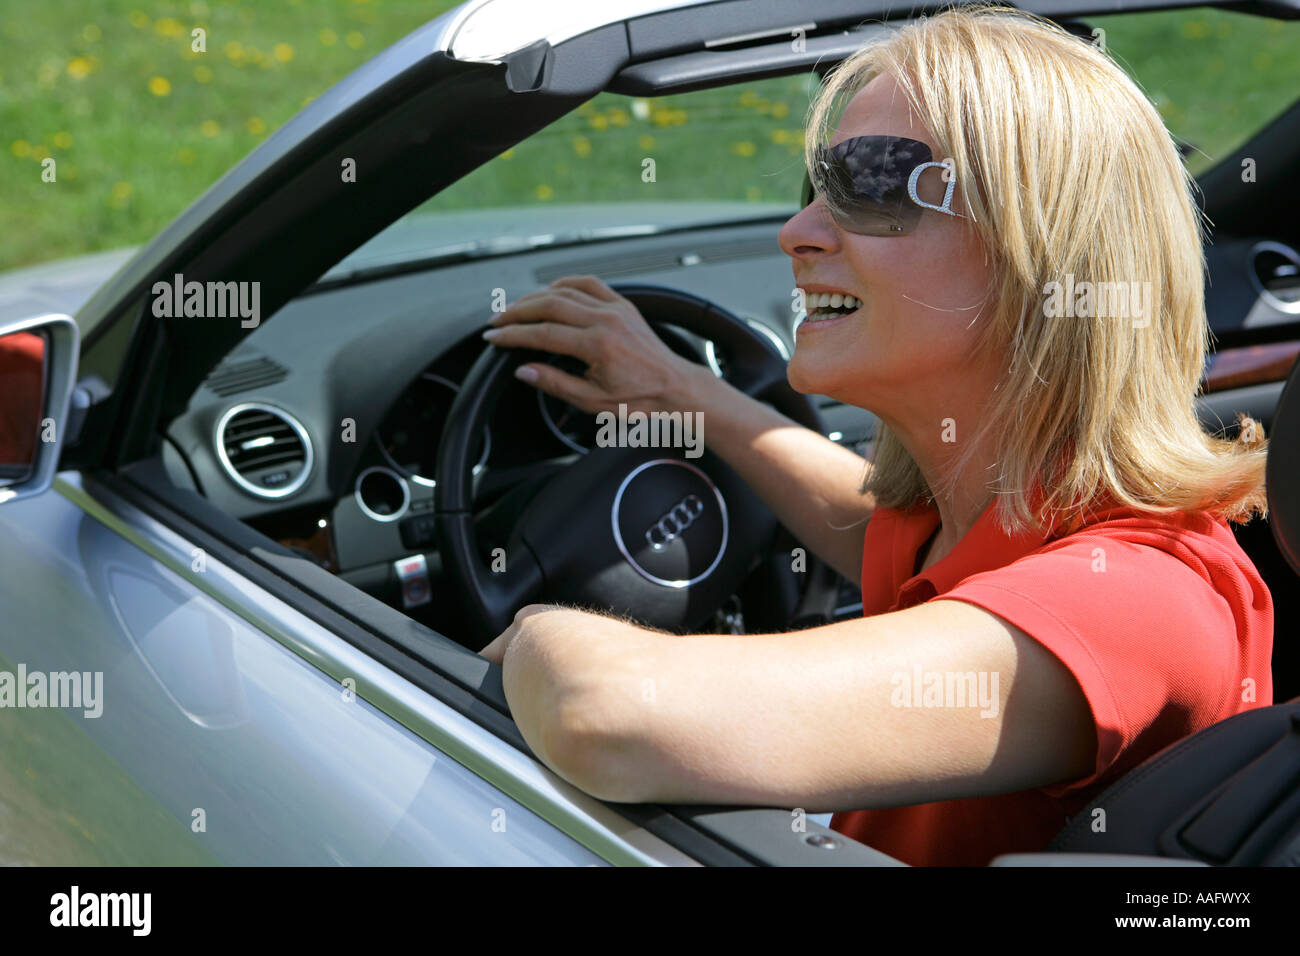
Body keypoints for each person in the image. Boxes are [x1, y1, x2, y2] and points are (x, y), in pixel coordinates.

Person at [476, 5, 1273, 866]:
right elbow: (859, 514)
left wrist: (528, 634)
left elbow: (607, 710)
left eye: (872, 182)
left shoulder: (1134, 602)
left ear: (1046, 248)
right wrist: (683, 392)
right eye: (814, 186)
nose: (798, 232)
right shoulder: (971, 510)